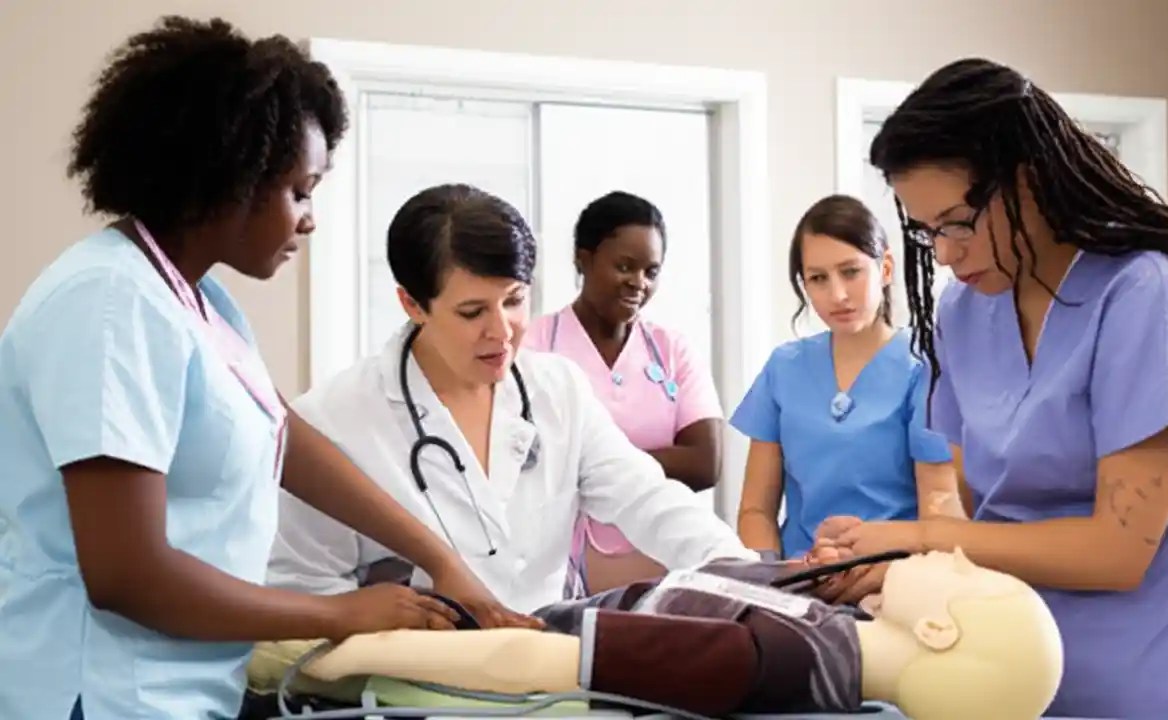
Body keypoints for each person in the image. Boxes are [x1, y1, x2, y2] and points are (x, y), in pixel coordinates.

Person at [0, 18, 534, 720]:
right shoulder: (109, 303)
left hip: (180, 691)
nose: (309, 220)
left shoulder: (197, 298)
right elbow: (126, 575)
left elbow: (284, 437)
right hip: (100, 694)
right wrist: (338, 612)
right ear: (227, 180)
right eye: (299, 191)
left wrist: (441, 558)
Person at [814, 58, 1168, 720]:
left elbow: (1117, 551)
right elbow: (970, 520)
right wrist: (882, 562)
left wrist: (913, 540)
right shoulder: (964, 314)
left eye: (958, 221)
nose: (944, 251)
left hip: (1148, 682)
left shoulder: (1147, 295)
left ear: (1030, 179)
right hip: (1010, 673)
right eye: (926, 230)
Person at [266, 183, 755, 614]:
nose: (501, 332)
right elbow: (301, 585)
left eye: (515, 300)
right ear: (412, 304)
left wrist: (739, 573)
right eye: (472, 311)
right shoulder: (333, 420)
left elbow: (649, 499)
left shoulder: (557, 390)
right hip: (402, 693)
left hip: (542, 680)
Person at [246, 548, 1064, 720]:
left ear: (938, 630)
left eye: (966, 574)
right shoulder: (832, 623)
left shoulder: (775, 658)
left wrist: (326, 657)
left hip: (491, 638)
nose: (952, 554)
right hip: (512, 607)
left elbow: (530, 661)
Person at [730, 195, 960, 562]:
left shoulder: (924, 366)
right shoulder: (784, 368)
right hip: (798, 578)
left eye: (850, 272)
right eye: (818, 278)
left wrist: (876, 570)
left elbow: (938, 514)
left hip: (892, 576)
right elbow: (756, 510)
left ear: (885, 268)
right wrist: (772, 575)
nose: (836, 294)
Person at [523, 191, 725, 593]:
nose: (639, 283)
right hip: (561, 564)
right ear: (584, 259)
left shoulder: (672, 349)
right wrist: (653, 461)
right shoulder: (534, 345)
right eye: (625, 266)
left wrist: (592, 464)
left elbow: (705, 464)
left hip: (665, 560)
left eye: (652, 271)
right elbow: (527, 462)